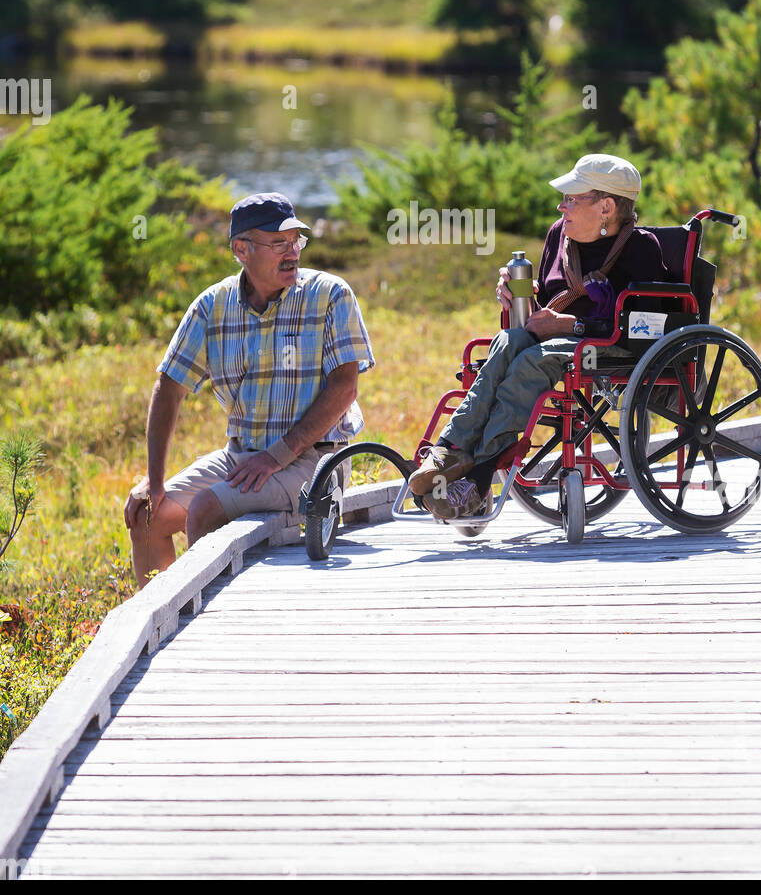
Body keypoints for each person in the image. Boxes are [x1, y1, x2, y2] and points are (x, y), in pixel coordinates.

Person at [124, 192, 374, 586]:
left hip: (314, 465)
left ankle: (207, 624)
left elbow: (345, 388)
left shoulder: (331, 295)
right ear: (242, 249)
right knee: (146, 514)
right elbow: (168, 388)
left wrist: (277, 456)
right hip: (242, 459)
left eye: (296, 242)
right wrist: (155, 483)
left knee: (205, 507)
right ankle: (163, 628)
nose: (292, 253)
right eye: (279, 244)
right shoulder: (212, 306)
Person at [408, 153, 666, 518]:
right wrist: (514, 295)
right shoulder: (559, 236)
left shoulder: (642, 250)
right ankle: (449, 450)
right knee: (506, 342)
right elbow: (542, 303)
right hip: (555, 341)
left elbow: (644, 326)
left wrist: (568, 325)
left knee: (532, 360)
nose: (562, 206)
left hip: (608, 348)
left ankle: (479, 477)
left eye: (573, 199)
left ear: (607, 206)